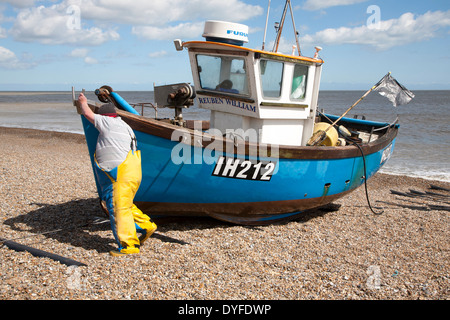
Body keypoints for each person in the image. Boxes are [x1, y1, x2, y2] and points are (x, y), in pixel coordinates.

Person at [77, 93, 157, 256]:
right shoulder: (124, 126)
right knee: (125, 204)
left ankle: (129, 246)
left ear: (104, 116)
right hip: (132, 172)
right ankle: (146, 225)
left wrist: (83, 102)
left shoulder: (108, 122)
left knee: (118, 209)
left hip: (119, 174)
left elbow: (87, 114)